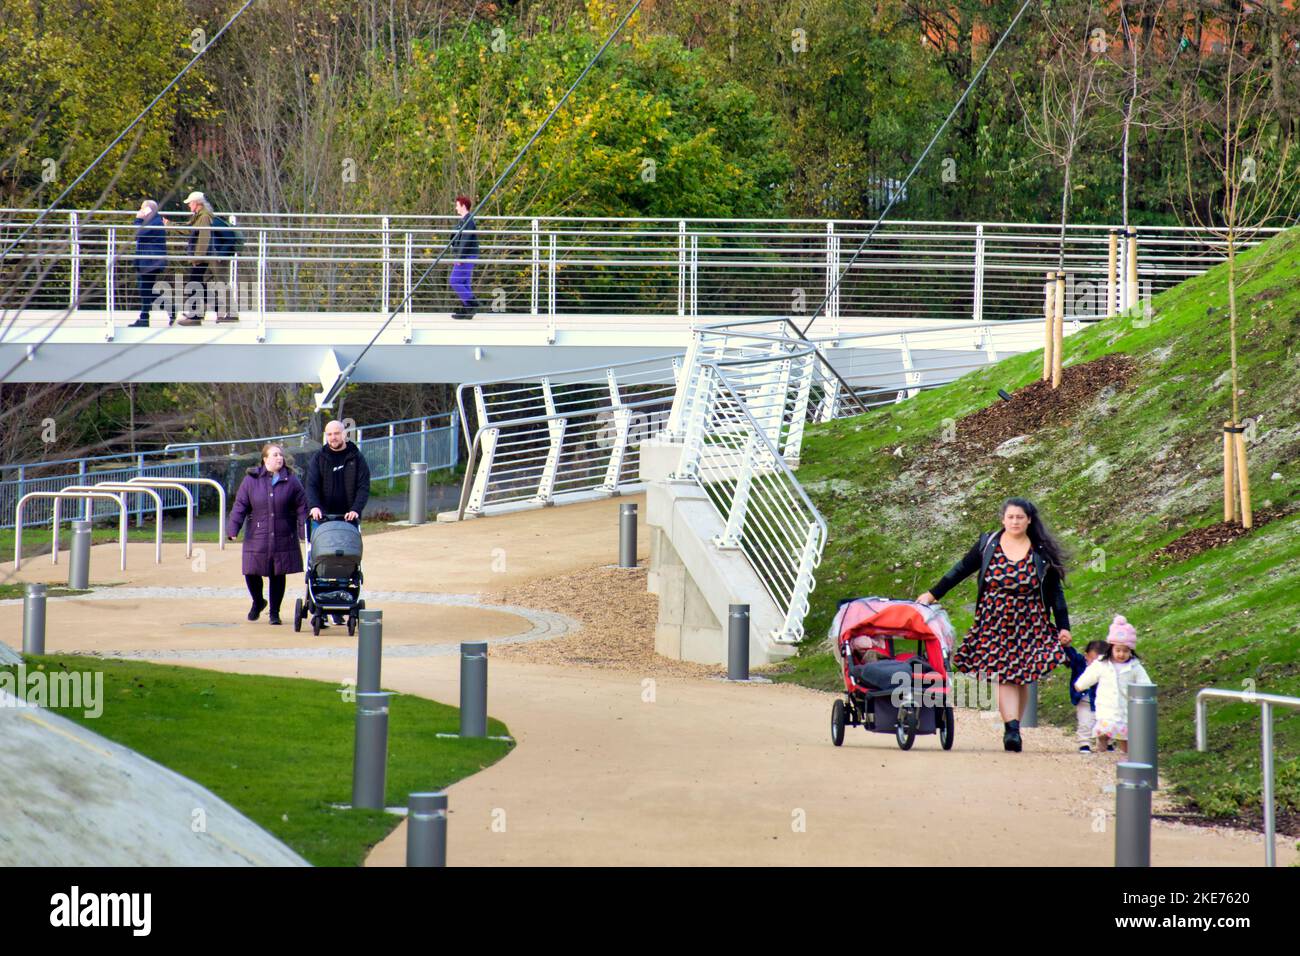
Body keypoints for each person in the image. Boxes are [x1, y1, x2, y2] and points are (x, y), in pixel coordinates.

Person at [917, 497, 1072, 753]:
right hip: (994, 619)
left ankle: (1014, 726)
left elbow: (1055, 591)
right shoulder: (988, 543)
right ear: (1003, 519)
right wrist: (933, 594)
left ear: (1029, 520)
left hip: (1030, 621)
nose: (1015, 521)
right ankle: (1011, 728)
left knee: (1022, 678)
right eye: (1010, 517)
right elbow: (960, 570)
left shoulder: (1040, 552)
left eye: (1020, 517)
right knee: (1004, 673)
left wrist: (1063, 625)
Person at [227, 443, 308, 626]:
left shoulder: (292, 480)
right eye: (275, 455)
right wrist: (233, 529)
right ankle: (258, 601)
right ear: (265, 459)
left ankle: (274, 612)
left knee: (277, 574)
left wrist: (304, 531)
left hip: (283, 534)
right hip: (257, 535)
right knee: (251, 571)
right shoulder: (251, 480)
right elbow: (240, 505)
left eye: (281, 455)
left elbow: (302, 507)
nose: (279, 458)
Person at [304, 420, 370, 625]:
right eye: (329, 434)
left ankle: (341, 604)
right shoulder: (319, 459)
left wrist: (355, 510)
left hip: (347, 518)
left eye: (337, 433)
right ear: (326, 436)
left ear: (344, 434)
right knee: (319, 562)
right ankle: (319, 607)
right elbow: (311, 485)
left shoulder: (356, 458)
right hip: (322, 519)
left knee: (344, 561)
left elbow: (363, 487)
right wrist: (314, 506)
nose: (333, 437)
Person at [1073, 616, 1153, 755]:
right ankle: (1102, 743)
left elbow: (1144, 682)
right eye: (1118, 650)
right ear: (1111, 649)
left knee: (1125, 737)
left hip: (1125, 707)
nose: (1121, 654)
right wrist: (1080, 685)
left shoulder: (1134, 666)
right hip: (1106, 706)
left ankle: (1128, 758)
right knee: (1105, 730)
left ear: (1131, 651)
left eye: (1125, 651)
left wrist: (1147, 694)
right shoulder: (1102, 664)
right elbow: (1090, 674)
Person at [177, 191, 238, 325]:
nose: (189, 206)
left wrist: (197, 258)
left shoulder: (204, 217)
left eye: (190, 203)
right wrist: (170, 225)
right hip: (208, 256)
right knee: (199, 283)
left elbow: (204, 238)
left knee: (202, 283)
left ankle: (200, 315)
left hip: (210, 257)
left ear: (197, 203)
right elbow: (190, 230)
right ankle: (203, 313)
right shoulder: (200, 216)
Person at [129, 200, 175, 327]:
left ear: (148, 210)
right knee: (147, 290)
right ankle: (170, 309)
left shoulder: (154, 222)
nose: (141, 211)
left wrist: (138, 220)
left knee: (145, 289)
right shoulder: (152, 221)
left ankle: (145, 318)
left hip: (151, 261)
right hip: (146, 260)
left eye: (143, 209)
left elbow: (137, 234)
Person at [1063, 639, 1108, 753]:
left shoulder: (1108, 668)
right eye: (1092, 660)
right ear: (1086, 656)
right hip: (1083, 700)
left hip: (1104, 701)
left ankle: (1106, 743)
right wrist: (1066, 646)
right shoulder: (1080, 663)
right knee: (1085, 722)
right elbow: (1072, 656)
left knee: (1106, 722)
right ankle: (1084, 743)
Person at [449, 195, 480, 320]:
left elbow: (466, 240)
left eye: (457, 205)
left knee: (455, 281)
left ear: (463, 206)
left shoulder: (468, 221)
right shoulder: (465, 220)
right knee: (464, 282)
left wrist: (460, 257)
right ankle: (468, 309)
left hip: (466, 255)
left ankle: (472, 302)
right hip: (467, 254)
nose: (456, 208)